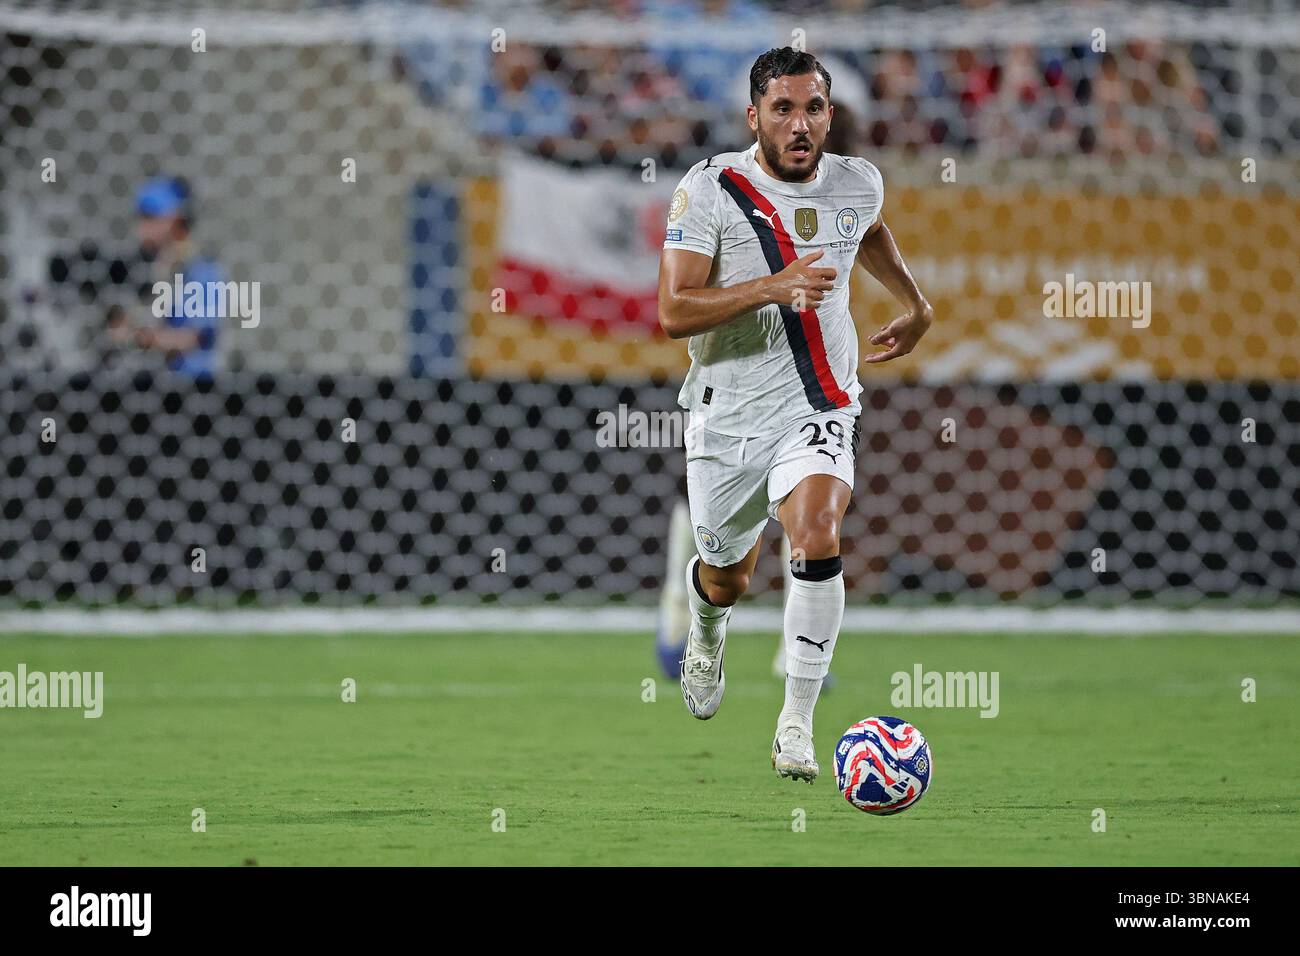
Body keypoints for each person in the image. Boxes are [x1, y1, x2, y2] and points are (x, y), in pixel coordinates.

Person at [657, 47, 933, 783]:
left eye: (813, 108)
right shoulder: (710, 188)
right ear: (754, 116)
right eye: (782, 108)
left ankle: (796, 724)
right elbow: (674, 311)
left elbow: (866, 230)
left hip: (820, 402)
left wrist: (914, 302)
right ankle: (708, 630)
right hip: (727, 412)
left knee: (817, 533)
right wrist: (772, 287)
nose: (799, 122)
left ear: (829, 115)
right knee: (726, 576)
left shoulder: (857, 182)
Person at [107, 176, 223, 380]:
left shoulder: (202, 270)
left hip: (192, 387)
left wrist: (137, 337)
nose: (141, 227)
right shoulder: (148, 268)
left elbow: (191, 338)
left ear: (176, 219)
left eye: (150, 217)